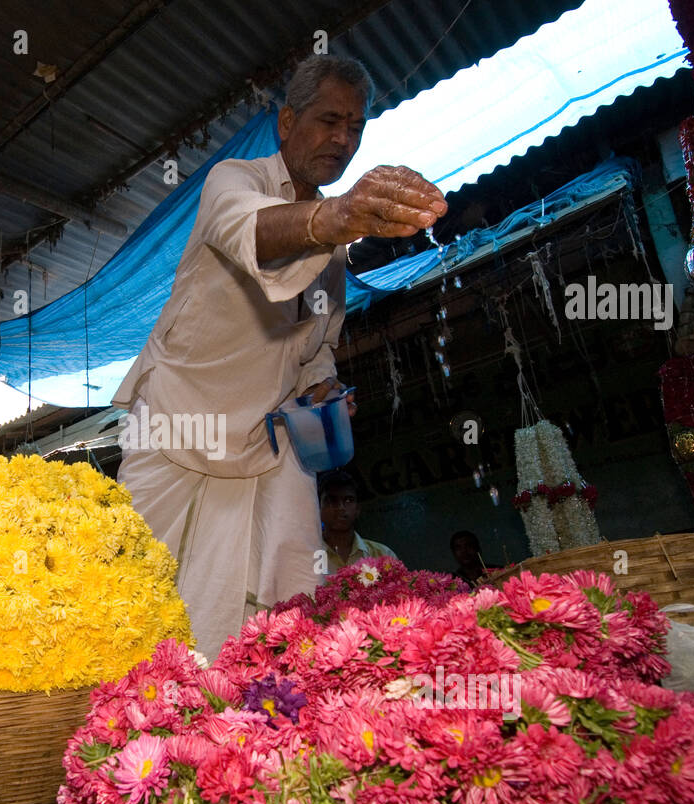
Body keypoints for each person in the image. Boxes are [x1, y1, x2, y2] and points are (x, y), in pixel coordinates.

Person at [112, 55, 446, 658]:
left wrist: (324, 389)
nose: (343, 140)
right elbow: (253, 231)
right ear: (287, 122)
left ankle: (242, 725)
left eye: (356, 128)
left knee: (284, 595)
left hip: (265, 438)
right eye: (329, 121)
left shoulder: (337, 246)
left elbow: (316, 347)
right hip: (176, 423)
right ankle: (121, 727)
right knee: (133, 586)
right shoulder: (233, 181)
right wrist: (336, 216)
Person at [319, 469, 396, 573]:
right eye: (332, 500)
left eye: (348, 500)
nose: (341, 507)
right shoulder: (307, 556)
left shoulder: (382, 555)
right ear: (318, 508)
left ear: (357, 509)